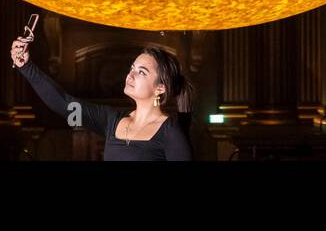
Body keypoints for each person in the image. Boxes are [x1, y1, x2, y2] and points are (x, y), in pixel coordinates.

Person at [11, 37, 194, 161]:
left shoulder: (170, 131)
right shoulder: (112, 120)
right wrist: (26, 66)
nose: (130, 75)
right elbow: (65, 104)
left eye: (141, 72)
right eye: (132, 68)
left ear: (160, 88)